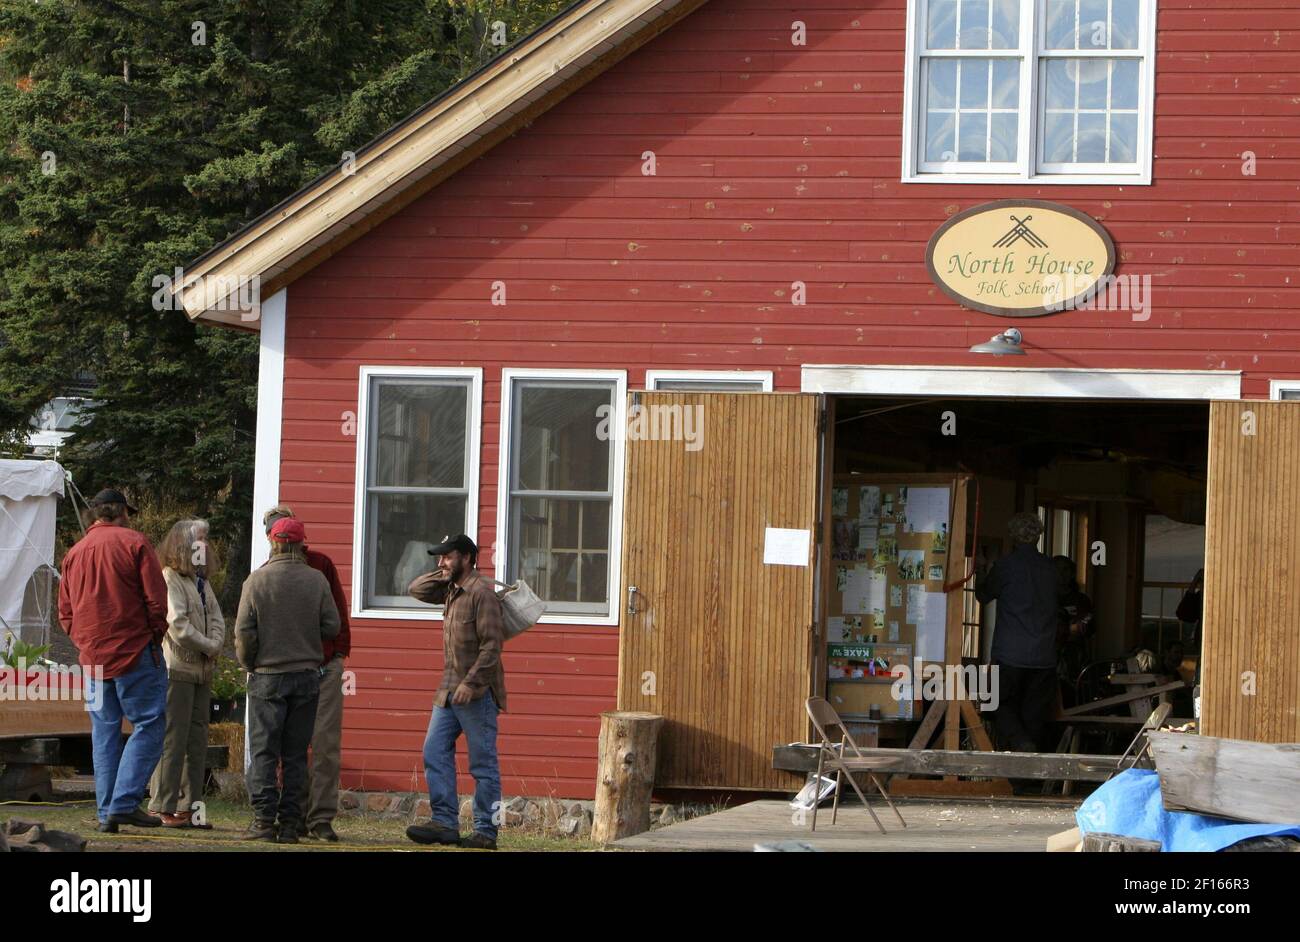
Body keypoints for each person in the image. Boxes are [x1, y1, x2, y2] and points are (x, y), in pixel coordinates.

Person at [57, 489, 169, 833]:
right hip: (135, 652)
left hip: (92, 658)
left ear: (95, 514)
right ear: (121, 512)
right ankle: (123, 803)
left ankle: (108, 812)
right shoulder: (135, 543)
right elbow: (156, 601)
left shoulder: (74, 553)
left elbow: (65, 612)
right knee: (149, 724)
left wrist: (84, 642)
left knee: (103, 733)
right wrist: (154, 635)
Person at [234, 517, 339, 843]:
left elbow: (243, 633)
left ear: (273, 543)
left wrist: (250, 662)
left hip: (267, 675)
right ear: (300, 543)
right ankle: (291, 824)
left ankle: (264, 821)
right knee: (295, 753)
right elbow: (332, 627)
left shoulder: (256, 581)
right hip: (306, 676)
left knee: (264, 751)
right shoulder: (316, 580)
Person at [404, 534, 506, 850]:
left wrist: (470, 684)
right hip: (448, 690)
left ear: (465, 556)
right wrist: (446, 572)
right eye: (440, 558)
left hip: (477, 694)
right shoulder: (450, 590)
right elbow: (415, 589)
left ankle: (486, 833)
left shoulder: (481, 595)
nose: (440, 562)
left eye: (447, 557)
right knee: (433, 751)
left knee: (483, 765)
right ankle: (445, 824)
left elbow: (492, 647)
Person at [261, 505, 352, 843]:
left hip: (324, 667)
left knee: (325, 744)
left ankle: (322, 818)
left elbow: (338, 613)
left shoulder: (321, 566)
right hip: (286, 671)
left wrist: (339, 654)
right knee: (289, 747)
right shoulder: (264, 574)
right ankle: (292, 816)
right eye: (275, 532)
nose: (281, 539)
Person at [147, 518, 225, 828]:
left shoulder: (201, 583)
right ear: (184, 545)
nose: (205, 545)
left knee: (197, 740)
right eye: (200, 539)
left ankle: (191, 808)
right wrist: (208, 645)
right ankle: (160, 805)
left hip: (202, 670)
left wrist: (216, 643)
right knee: (173, 739)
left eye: (206, 539)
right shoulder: (170, 579)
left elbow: (217, 617)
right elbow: (177, 624)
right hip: (177, 669)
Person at [975, 513, 1061, 753]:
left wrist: (981, 570)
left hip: (1010, 653)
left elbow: (983, 595)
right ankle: (1025, 775)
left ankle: (1021, 741)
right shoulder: (1051, 569)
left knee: (996, 703)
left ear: (1013, 536)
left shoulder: (1005, 567)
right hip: (1044, 654)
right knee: (1033, 714)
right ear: (1038, 536)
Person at [1052, 555, 1094, 708]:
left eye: (1065, 570)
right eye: (1056, 570)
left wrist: (1072, 630)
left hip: (1075, 660)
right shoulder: (1044, 598)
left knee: (1073, 702)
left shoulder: (1081, 600)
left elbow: (1086, 626)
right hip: (1048, 659)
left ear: (1071, 573)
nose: (1061, 574)